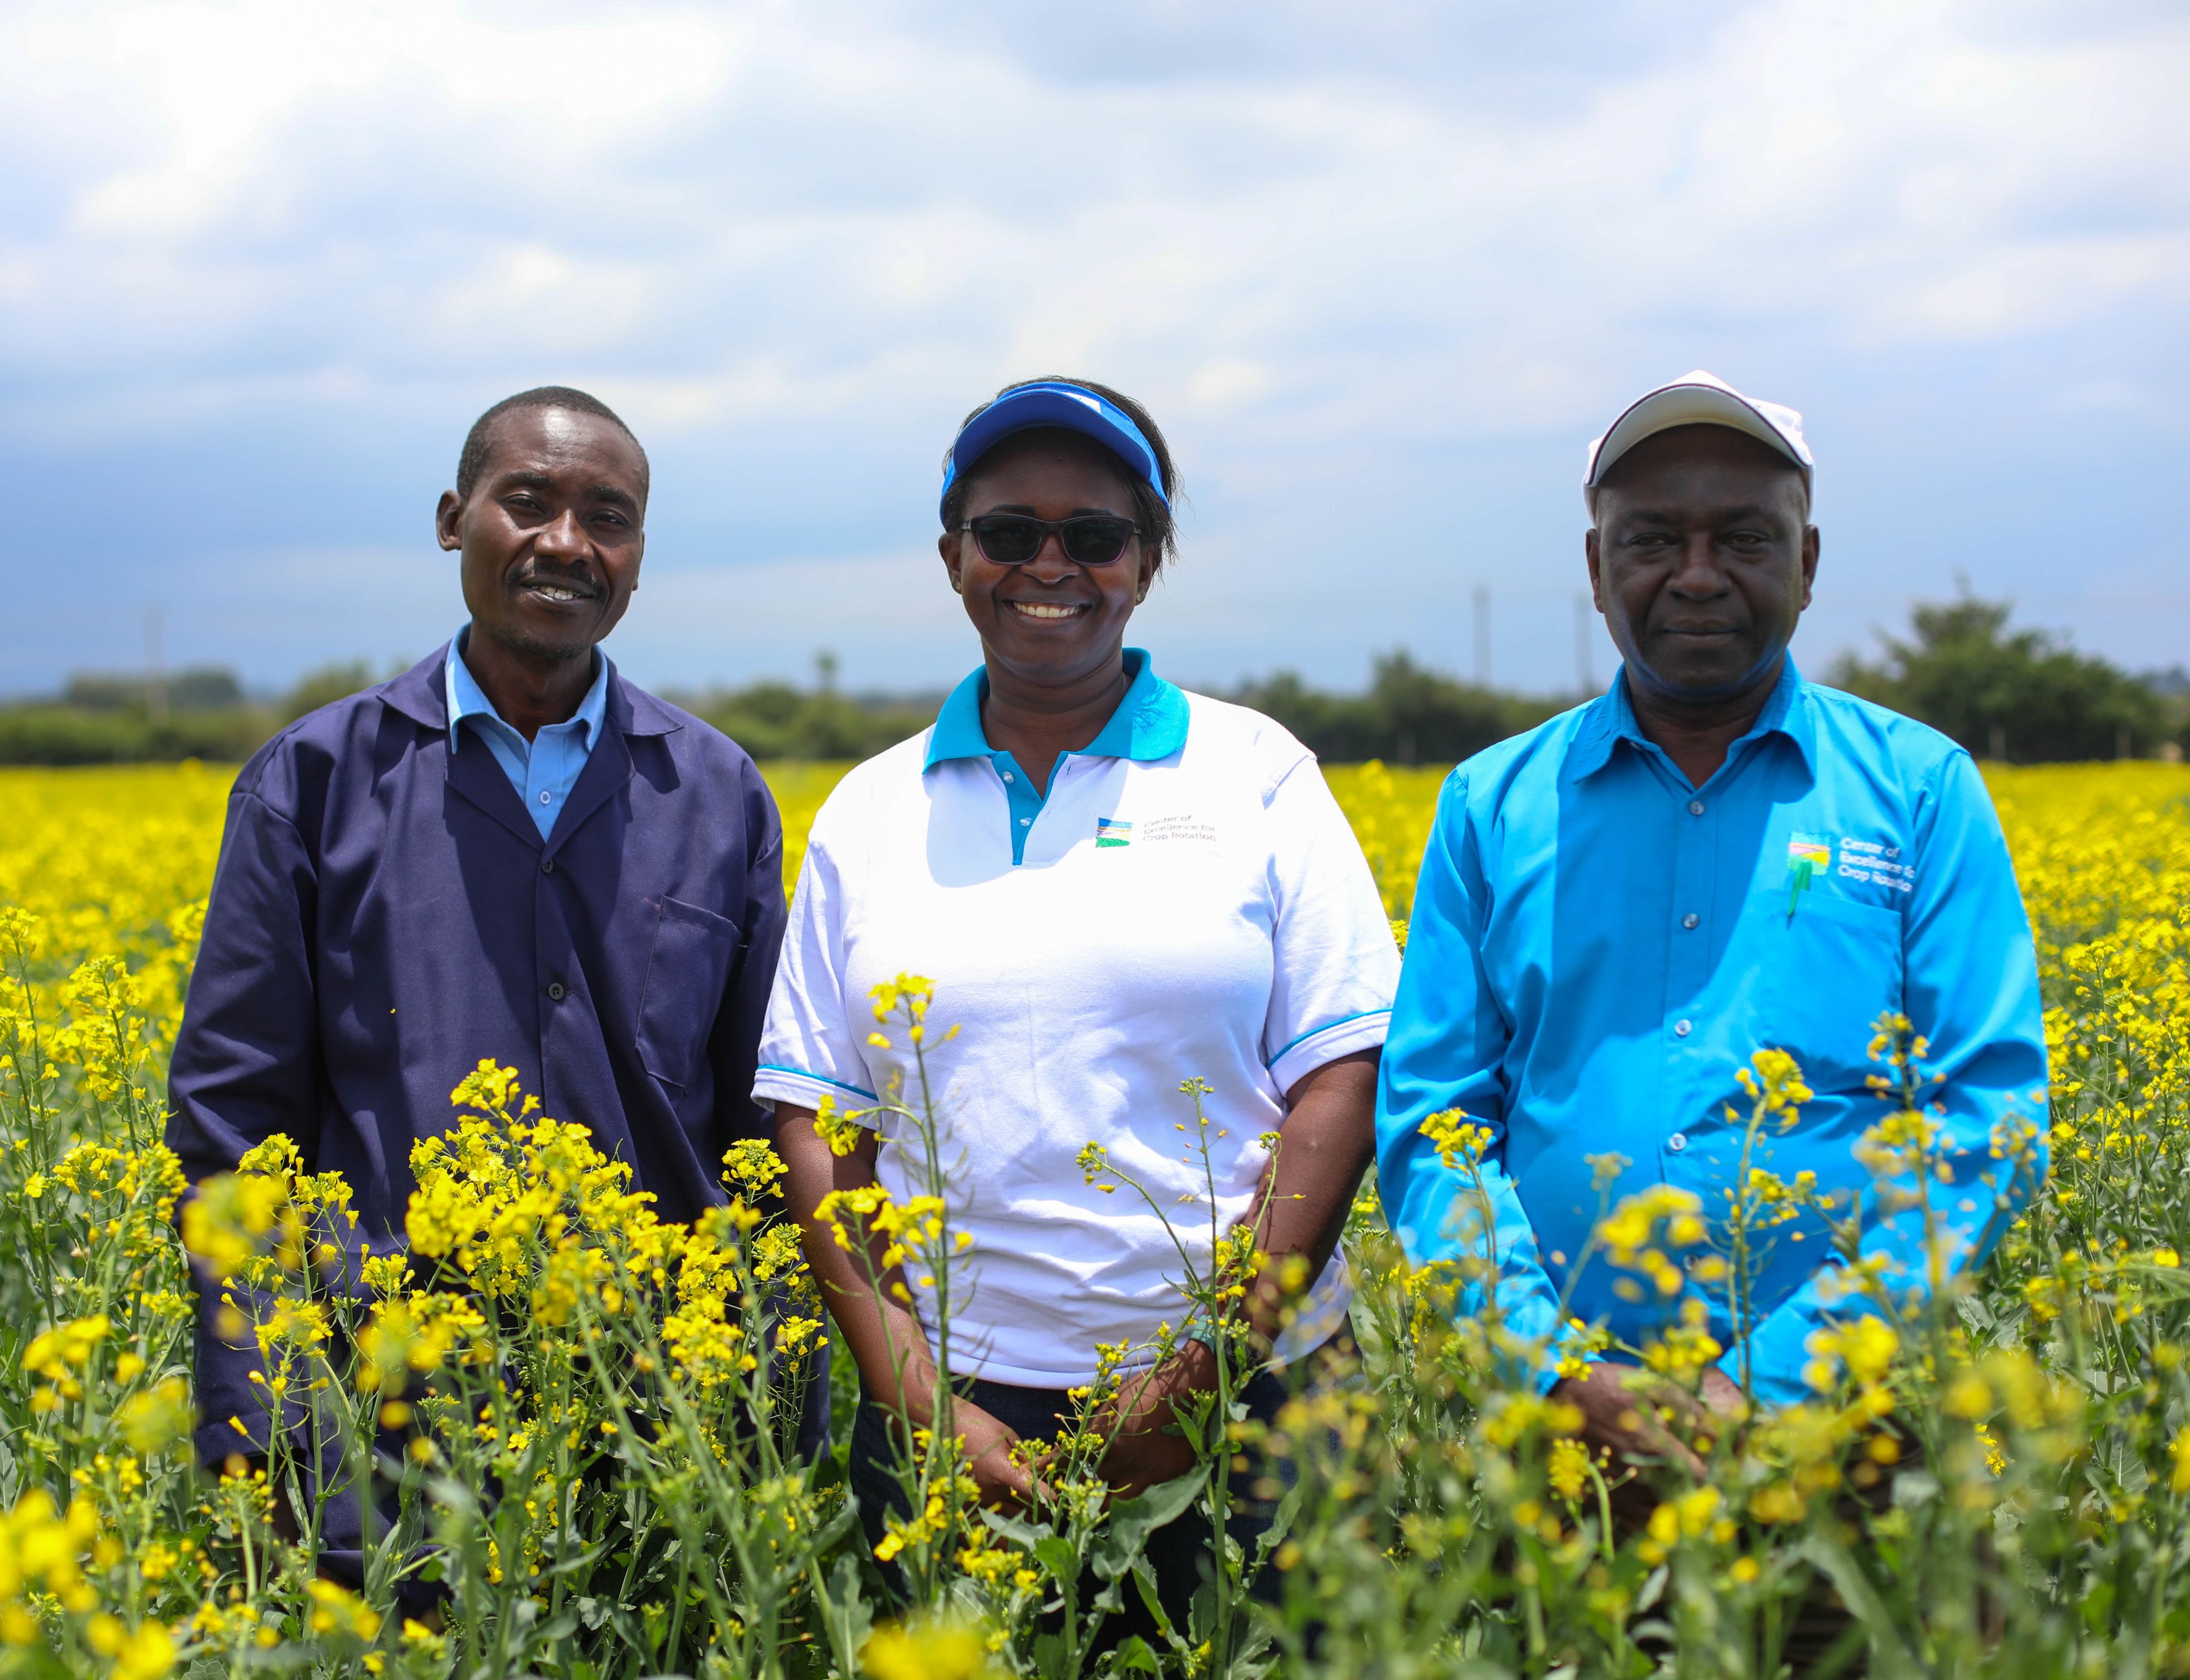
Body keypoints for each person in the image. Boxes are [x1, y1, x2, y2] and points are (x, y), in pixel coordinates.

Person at [757, 378, 1400, 1611]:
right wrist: (917, 1401)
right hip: (952, 1407)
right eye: (1006, 531)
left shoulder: (1256, 772)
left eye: (1093, 535)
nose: (1046, 563)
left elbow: (1342, 1073)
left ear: (1147, 561)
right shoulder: (868, 809)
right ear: (953, 555)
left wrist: (1210, 1363)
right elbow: (818, 1126)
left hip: (1243, 1397)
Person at [166, 385, 792, 1586]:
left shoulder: (717, 792)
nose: (566, 541)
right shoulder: (311, 781)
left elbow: (763, 1119)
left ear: (637, 561)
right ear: (455, 520)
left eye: (606, 516)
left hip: (654, 1411)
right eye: (529, 502)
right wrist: (266, 1428)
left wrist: (761, 1416)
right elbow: (233, 1130)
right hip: (386, 1415)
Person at [1377, 370, 2048, 1470]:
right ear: (1598, 571)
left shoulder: (1922, 790)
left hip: (1845, 1418)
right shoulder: (1491, 805)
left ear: (1809, 564)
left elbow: (1988, 1113)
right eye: (1652, 540)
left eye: (1743, 537)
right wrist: (1556, 1371)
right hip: (1560, 1439)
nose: (1697, 576)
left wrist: (1782, 1378)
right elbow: (1433, 1120)